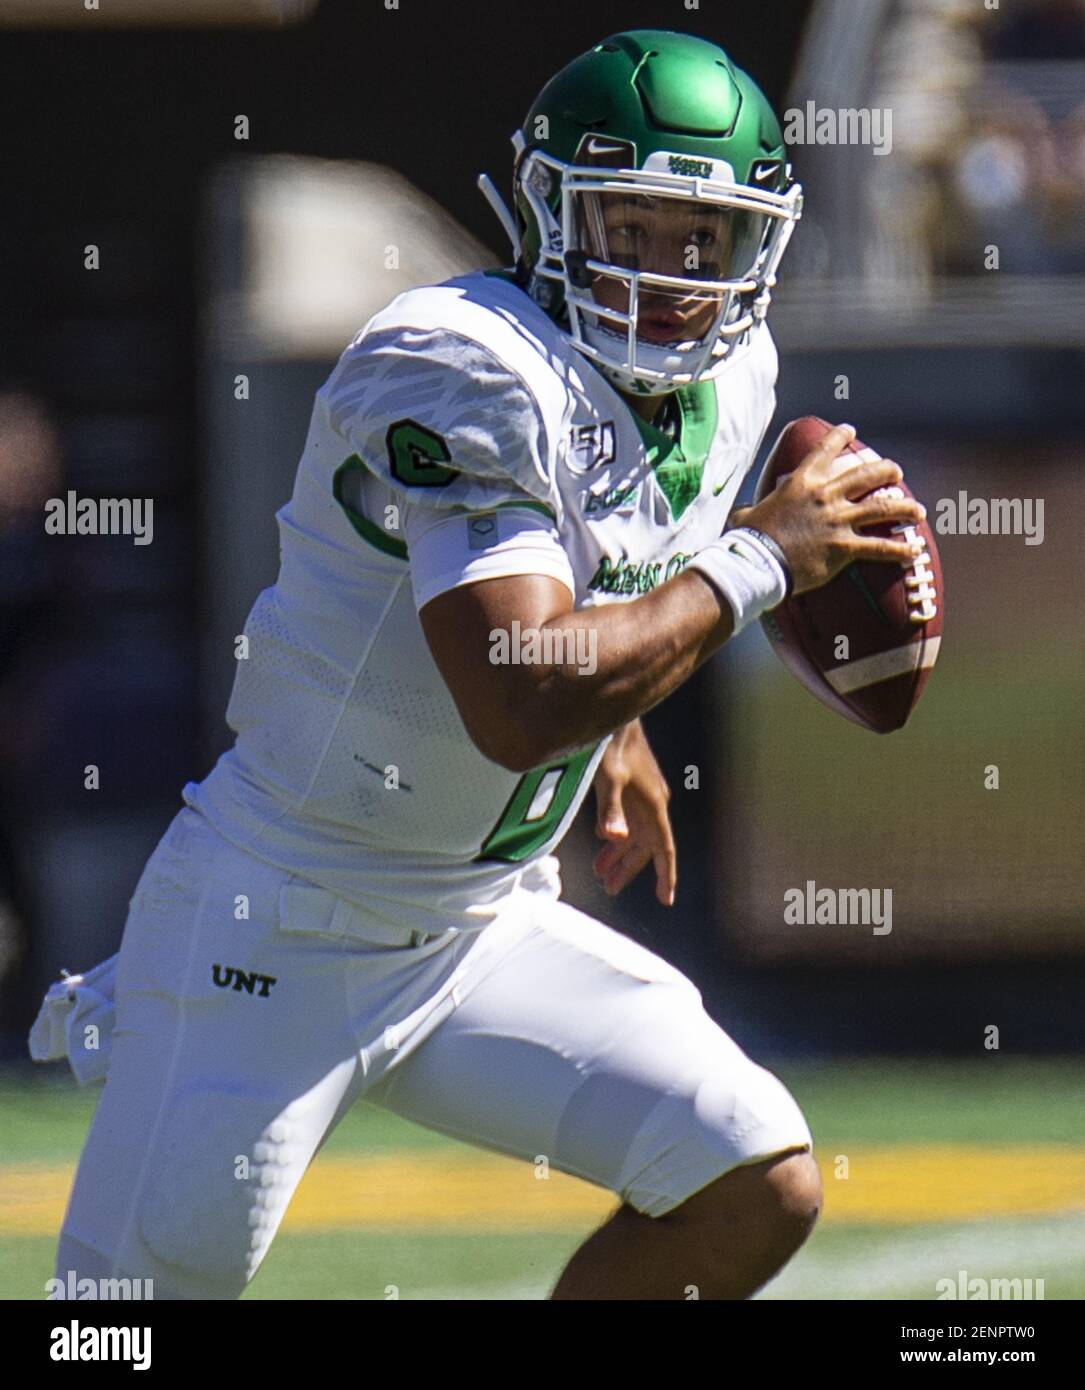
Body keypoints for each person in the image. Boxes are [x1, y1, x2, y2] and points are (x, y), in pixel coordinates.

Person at [52, 29, 924, 1300]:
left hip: (477, 927)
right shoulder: (456, 365)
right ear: (544, 213)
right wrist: (757, 565)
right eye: (631, 227)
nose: (671, 276)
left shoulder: (734, 375)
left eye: (705, 238)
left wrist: (617, 735)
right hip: (279, 918)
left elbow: (608, 567)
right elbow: (518, 693)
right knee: (116, 1328)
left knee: (754, 1177)